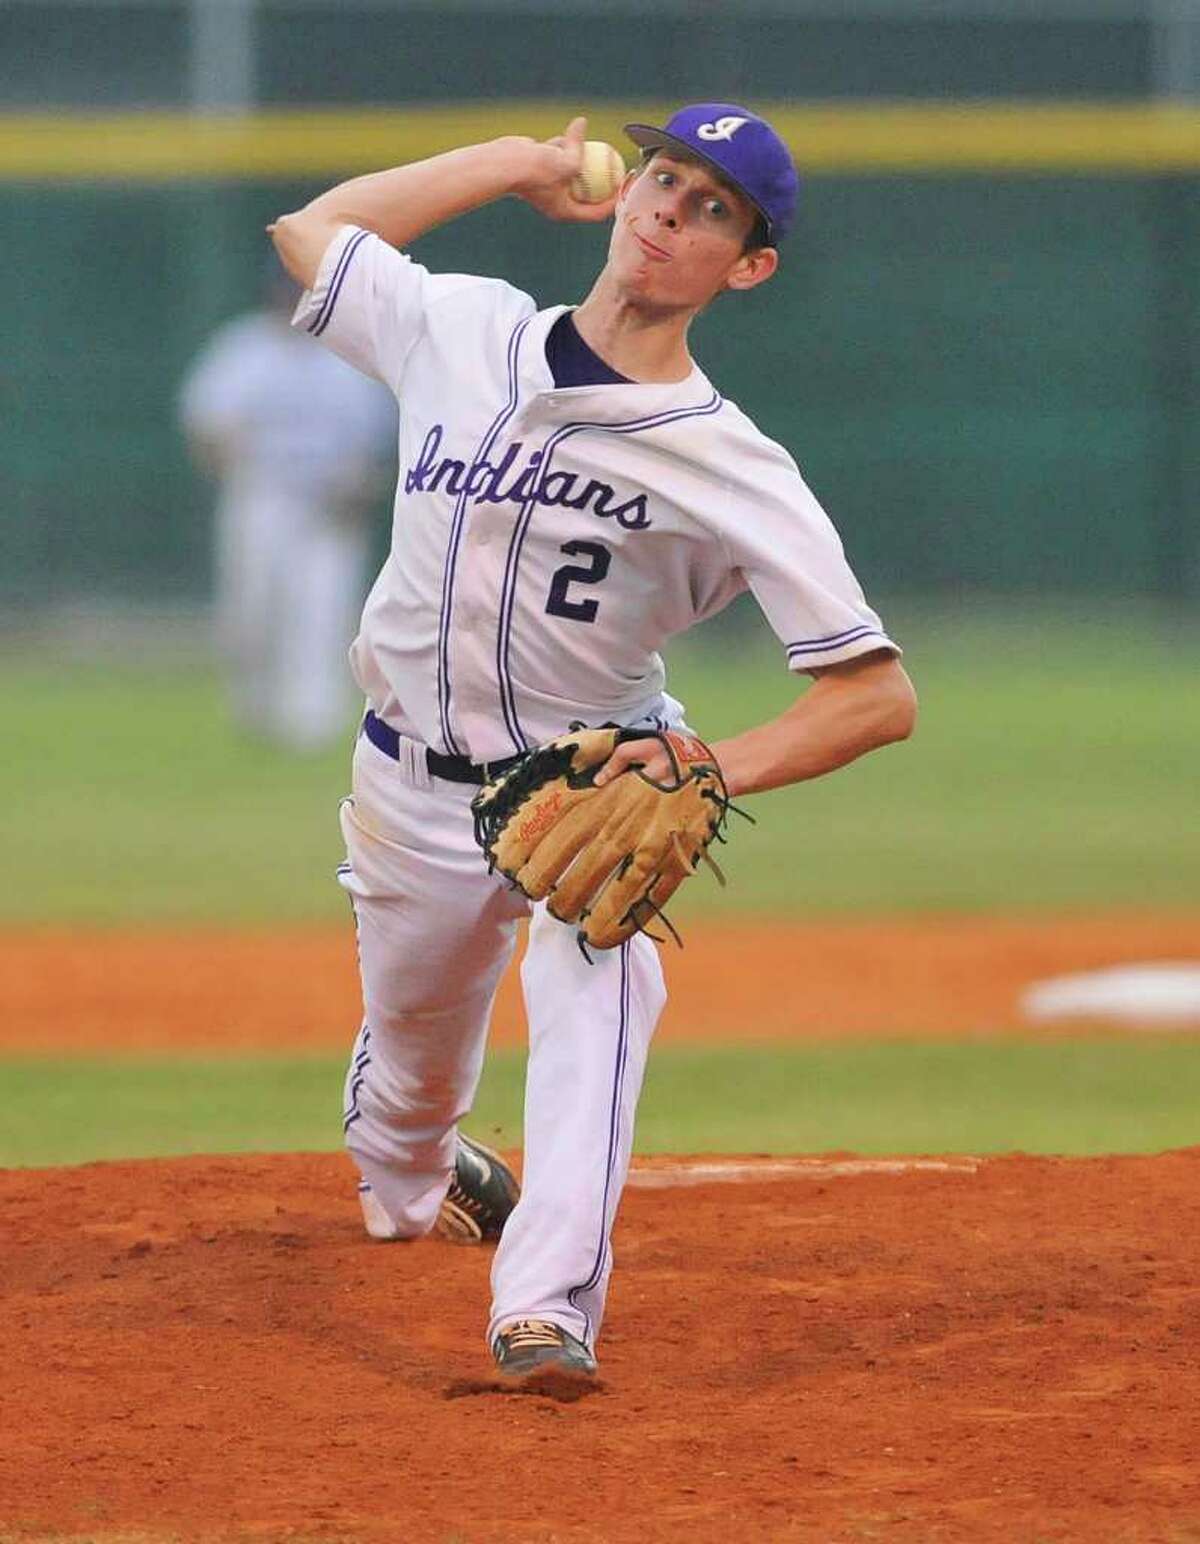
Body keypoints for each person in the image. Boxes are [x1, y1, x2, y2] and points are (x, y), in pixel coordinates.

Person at [269, 105, 917, 1384]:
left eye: (712, 208)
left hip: (595, 783)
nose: (670, 209)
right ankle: (421, 1158)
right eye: (665, 178)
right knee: (400, 1140)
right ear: (628, 193)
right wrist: (513, 164)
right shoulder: (464, 329)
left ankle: (546, 1305)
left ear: (748, 267)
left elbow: (874, 693)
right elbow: (311, 230)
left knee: (605, 980)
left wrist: (708, 768)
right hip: (411, 788)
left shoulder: (730, 461)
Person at [179, 269, 396, 751]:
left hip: (329, 501)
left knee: (322, 609)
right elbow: (207, 426)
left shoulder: (350, 356)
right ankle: (255, 707)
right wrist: (237, 469)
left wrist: (361, 487)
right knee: (253, 607)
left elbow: (377, 443)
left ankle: (312, 721)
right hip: (263, 495)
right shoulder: (245, 350)